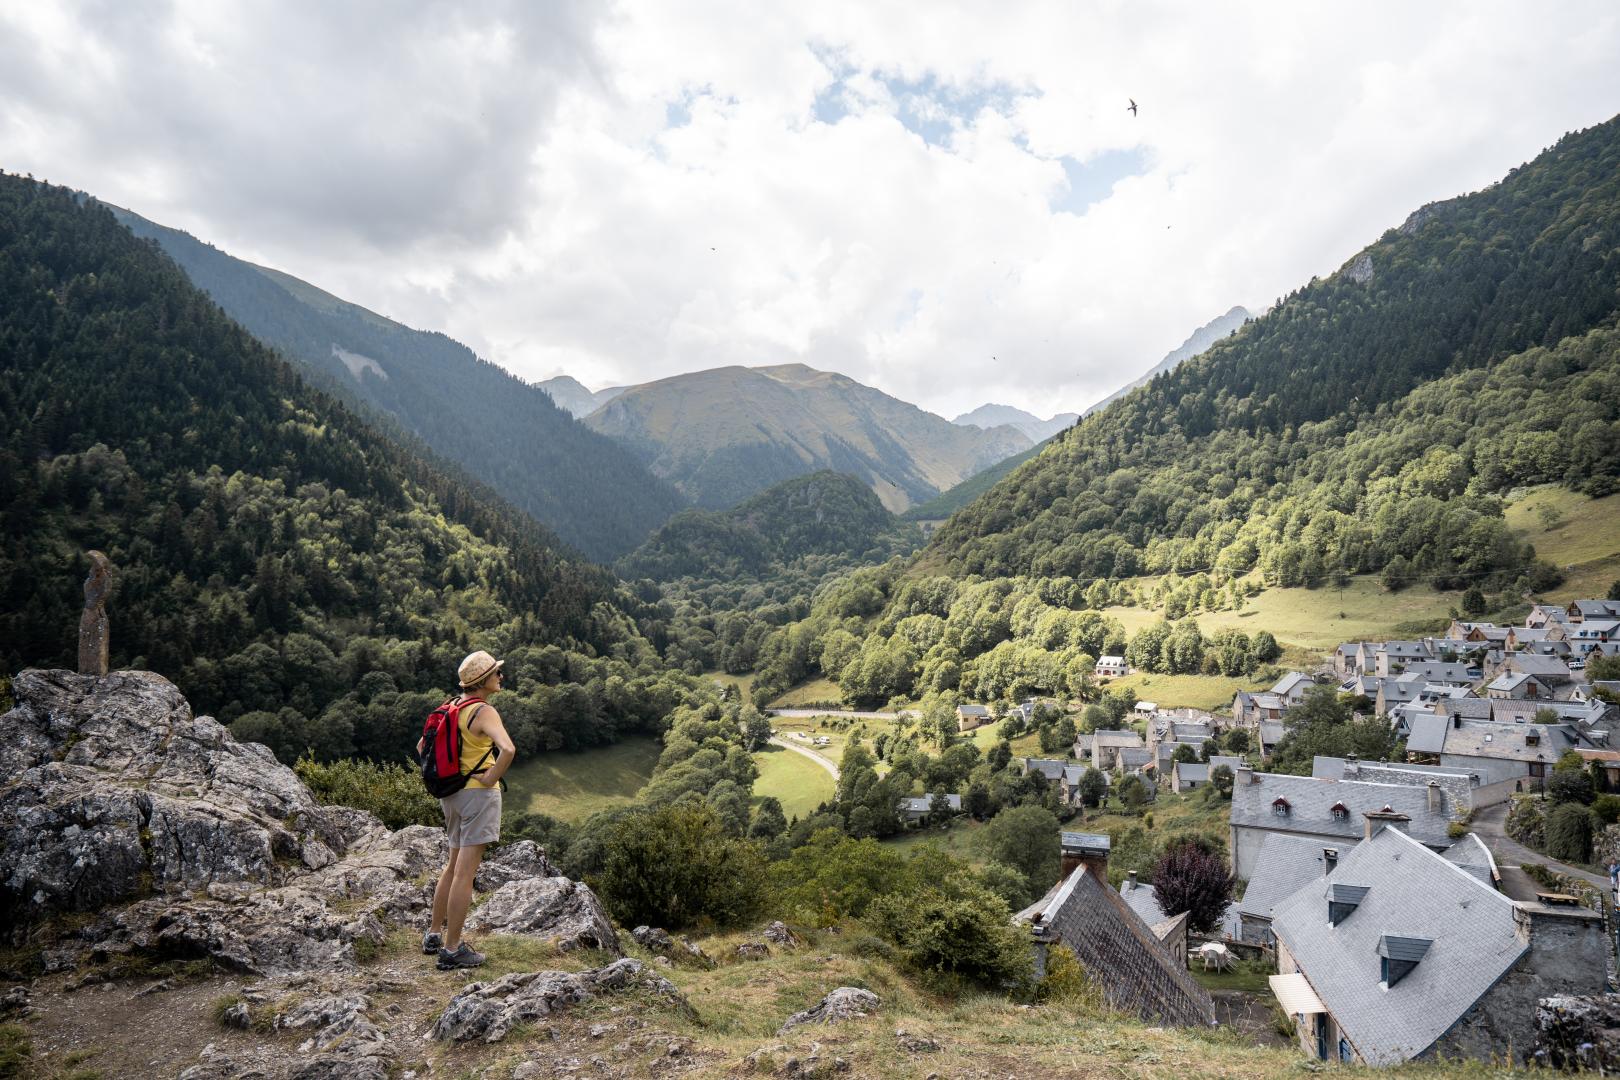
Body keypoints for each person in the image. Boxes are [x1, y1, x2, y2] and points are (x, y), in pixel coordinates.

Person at [418, 649, 516, 969]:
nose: (500, 677)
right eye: (496, 673)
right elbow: (508, 749)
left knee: (451, 867)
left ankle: (434, 934)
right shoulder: (483, 711)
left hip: (452, 795)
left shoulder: (450, 707)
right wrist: (490, 778)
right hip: (478, 796)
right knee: (465, 873)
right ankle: (452, 950)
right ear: (482, 680)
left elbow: (422, 747)